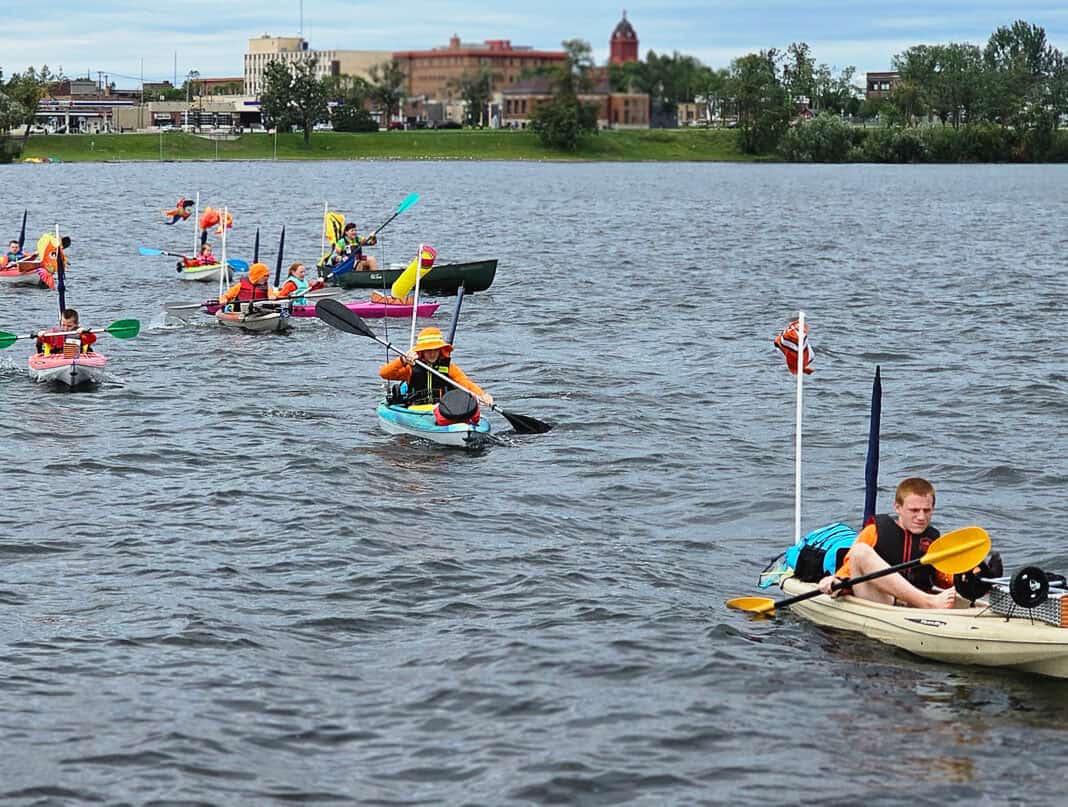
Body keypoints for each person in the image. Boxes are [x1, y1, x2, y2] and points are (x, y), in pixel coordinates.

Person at [818, 477, 957, 609]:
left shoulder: (934, 540)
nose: (921, 517)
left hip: (914, 606)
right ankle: (928, 602)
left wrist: (967, 573)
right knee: (860, 551)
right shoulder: (874, 531)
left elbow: (944, 579)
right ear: (898, 507)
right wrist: (837, 581)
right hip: (879, 599)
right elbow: (849, 568)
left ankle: (926, 602)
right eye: (914, 510)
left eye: (927, 510)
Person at [379, 326, 494, 408]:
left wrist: (482, 395)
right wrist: (403, 360)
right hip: (416, 410)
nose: (432, 353)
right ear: (421, 352)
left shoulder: (449, 368)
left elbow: (465, 383)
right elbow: (385, 373)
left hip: (442, 409)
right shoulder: (411, 367)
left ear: (440, 350)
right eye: (428, 350)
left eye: (435, 349)